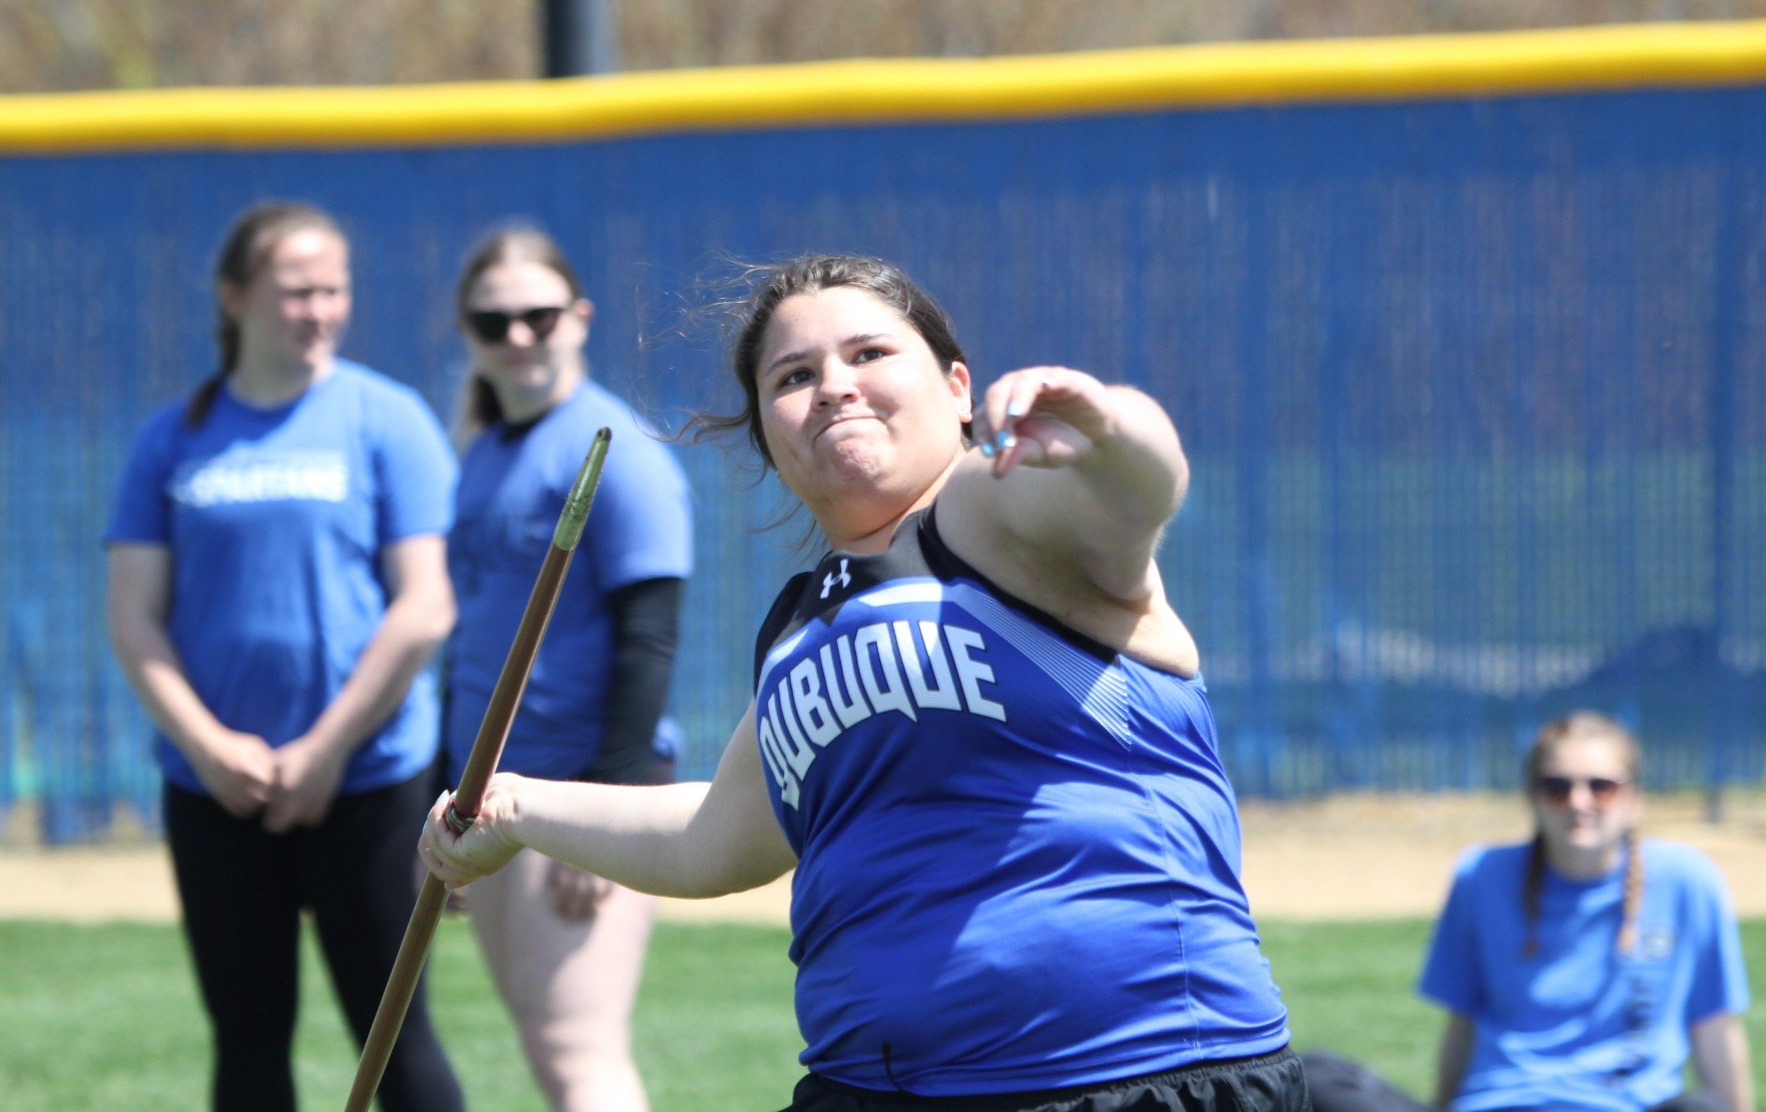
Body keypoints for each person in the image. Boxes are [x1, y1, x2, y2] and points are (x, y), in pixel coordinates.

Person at [421, 252, 1304, 1111]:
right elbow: (711, 838)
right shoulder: (798, 631)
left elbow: (1139, 491)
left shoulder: (1000, 509)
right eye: (794, 375)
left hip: (1130, 1074)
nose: (834, 386)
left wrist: (1106, 427)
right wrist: (515, 807)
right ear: (768, 434)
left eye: (869, 353)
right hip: (866, 1088)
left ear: (957, 388)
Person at [103, 201, 465, 1112]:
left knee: (395, 1038)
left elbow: (425, 605)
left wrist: (327, 748)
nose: (320, 309)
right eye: (297, 290)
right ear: (233, 296)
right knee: (248, 1042)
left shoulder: (387, 418)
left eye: (334, 290)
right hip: (218, 789)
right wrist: (208, 746)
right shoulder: (171, 437)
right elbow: (133, 617)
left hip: (370, 780)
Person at [445, 227, 693, 1111]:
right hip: (492, 792)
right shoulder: (483, 451)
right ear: (467, 331)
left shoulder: (615, 448)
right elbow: (467, 639)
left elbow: (650, 635)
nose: (518, 335)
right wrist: (451, 794)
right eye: (494, 320)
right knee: (545, 1044)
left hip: (578, 787)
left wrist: (609, 807)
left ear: (580, 318)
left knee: (576, 1049)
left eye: (539, 315)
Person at [1400, 710, 1755, 1112]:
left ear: (1634, 800)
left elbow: (1714, 1027)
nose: (1578, 802)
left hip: (1627, 1105)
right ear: (1532, 798)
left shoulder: (1686, 880)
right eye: (1557, 787)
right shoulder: (1480, 875)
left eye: (1601, 787)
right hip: (1502, 1105)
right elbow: (1461, 1026)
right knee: (1337, 1080)